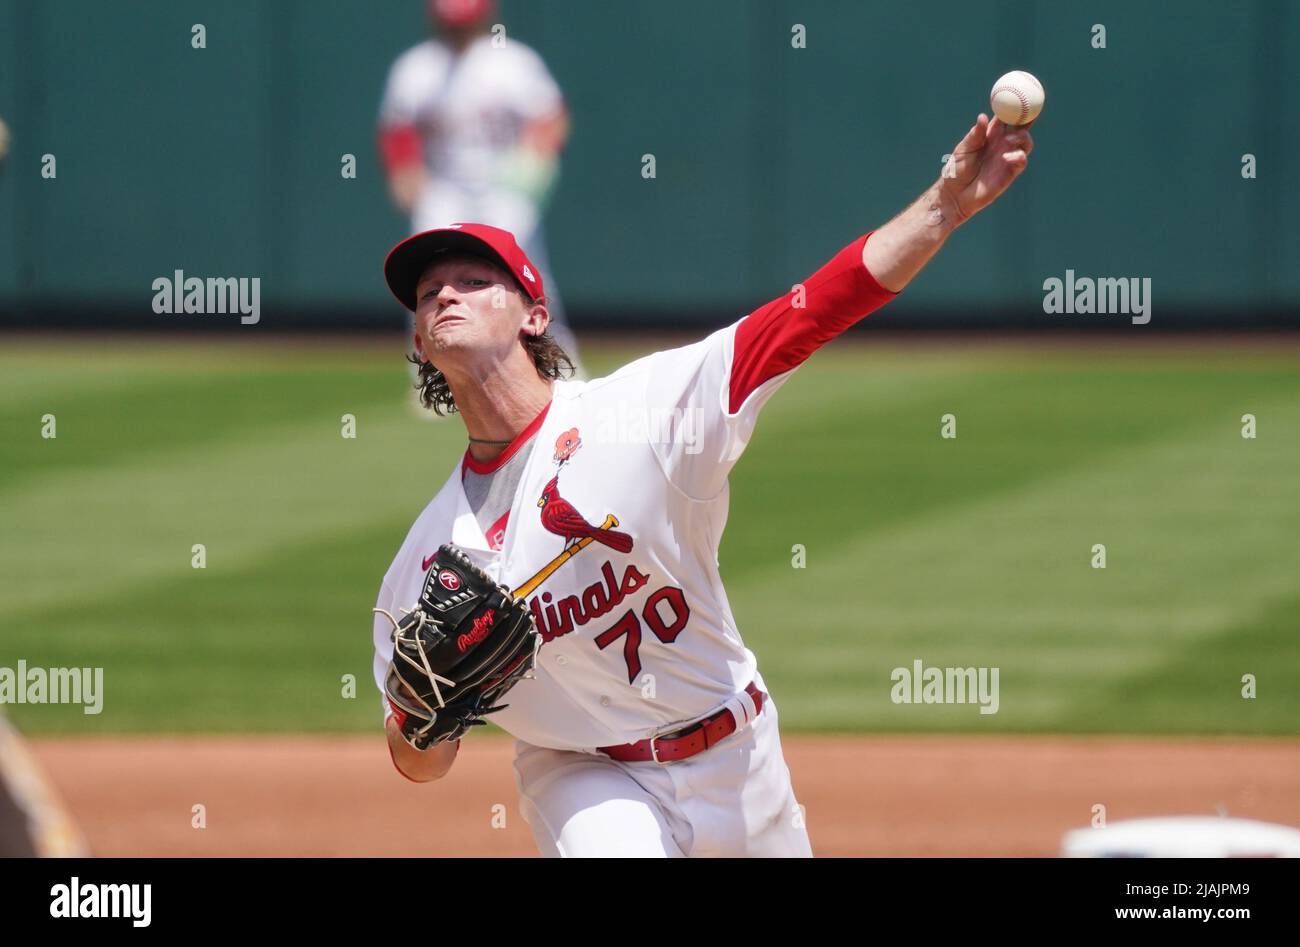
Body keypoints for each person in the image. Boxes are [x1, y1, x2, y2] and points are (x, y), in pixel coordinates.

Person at [372, 113, 1034, 856]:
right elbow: (417, 762)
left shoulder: (644, 411)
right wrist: (423, 714)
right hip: (583, 776)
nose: (445, 296)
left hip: (737, 750)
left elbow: (811, 309)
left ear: (534, 313)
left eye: (472, 280)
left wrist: (946, 205)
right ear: (421, 340)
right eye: (428, 293)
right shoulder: (430, 558)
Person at [377, 0, 577, 358]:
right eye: (450, 20)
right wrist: (406, 175)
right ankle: (429, 367)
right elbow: (398, 131)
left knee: (526, 268)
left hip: (503, 183)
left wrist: (532, 166)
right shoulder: (417, 67)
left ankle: (557, 358)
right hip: (444, 186)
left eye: (463, 20)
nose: (456, 27)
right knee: (428, 272)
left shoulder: (512, 61)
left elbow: (550, 117)